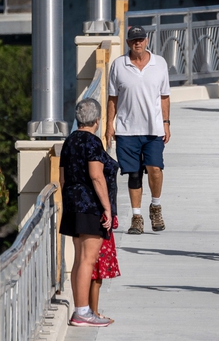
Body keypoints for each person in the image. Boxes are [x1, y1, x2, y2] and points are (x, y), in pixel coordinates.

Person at [106, 25, 171, 235]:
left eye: (141, 39)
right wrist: (109, 124)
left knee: (155, 169)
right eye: (134, 40)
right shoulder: (118, 65)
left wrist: (167, 123)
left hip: (153, 128)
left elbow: (164, 96)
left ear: (147, 40)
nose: (138, 43)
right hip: (126, 129)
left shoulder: (159, 63)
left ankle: (155, 206)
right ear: (128, 43)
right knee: (133, 175)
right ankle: (136, 217)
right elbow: (113, 98)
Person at [61, 98, 115, 328]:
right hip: (89, 206)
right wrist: (107, 208)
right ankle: (83, 312)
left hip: (72, 204)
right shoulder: (92, 143)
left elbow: (63, 178)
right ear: (97, 120)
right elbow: (96, 175)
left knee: (79, 259)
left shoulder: (70, 141)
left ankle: (80, 309)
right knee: (88, 260)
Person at [89, 213, 121, 325]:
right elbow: (114, 223)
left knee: (92, 279)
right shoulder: (103, 209)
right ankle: (94, 312)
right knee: (96, 281)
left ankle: (91, 311)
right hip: (102, 243)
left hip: (94, 240)